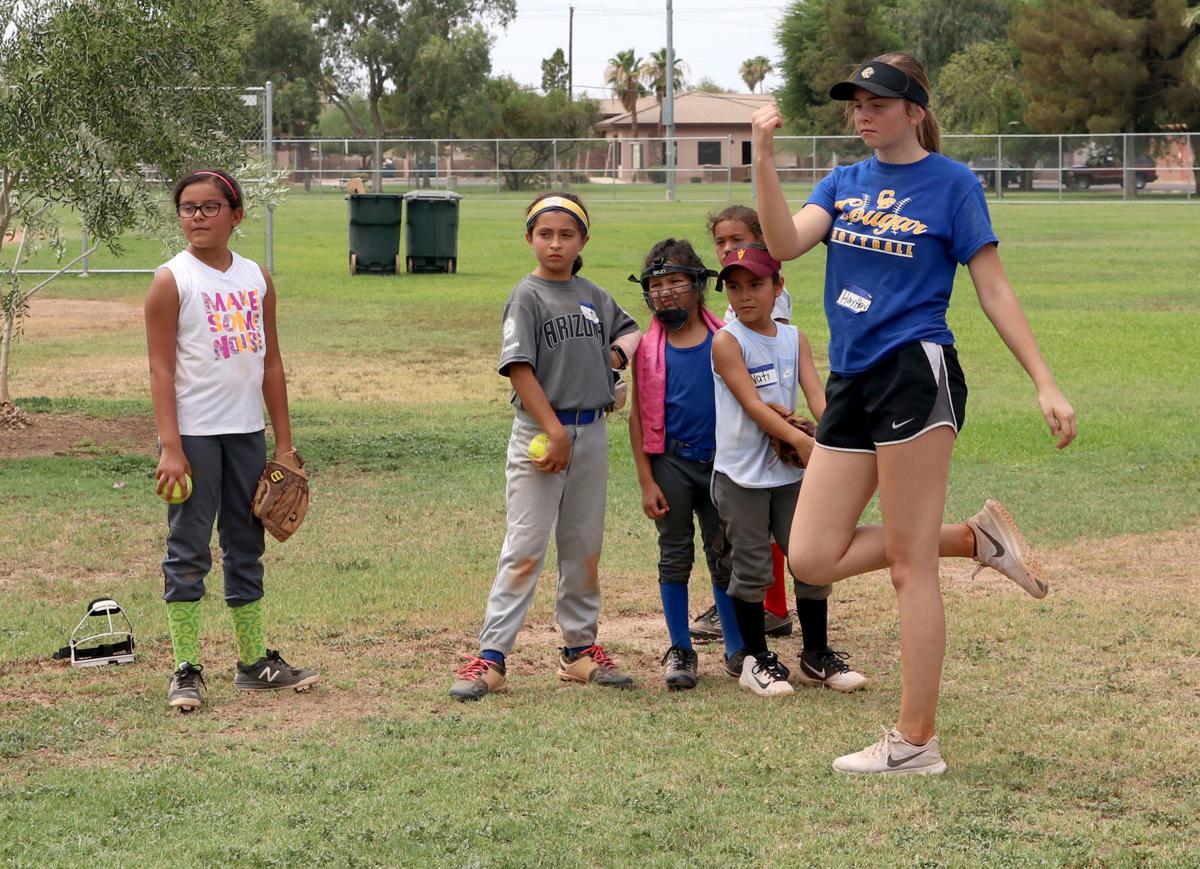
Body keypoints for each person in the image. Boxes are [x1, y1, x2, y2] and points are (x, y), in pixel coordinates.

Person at [751, 53, 1076, 770]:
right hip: (853, 379)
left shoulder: (952, 184)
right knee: (810, 553)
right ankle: (970, 538)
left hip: (914, 372)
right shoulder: (844, 180)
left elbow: (992, 288)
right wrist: (765, 160)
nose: (863, 112)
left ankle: (915, 742)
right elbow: (782, 245)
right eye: (856, 102)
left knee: (907, 566)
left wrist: (1044, 381)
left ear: (915, 110)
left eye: (879, 101)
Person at [450, 192, 642, 701]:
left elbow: (632, 330)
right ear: (530, 238)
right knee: (525, 548)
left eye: (566, 234)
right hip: (541, 433)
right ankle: (490, 657)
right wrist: (554, 430)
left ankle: (579, 651)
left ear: (583, 240)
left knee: (583, 545)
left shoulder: (594, 294)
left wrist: (615, 360)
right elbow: (519, 368)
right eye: (545, 234)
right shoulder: (527, 295)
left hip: (592, 432)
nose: (555, 243)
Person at [145, 169, 318, 713]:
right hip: (193, 438)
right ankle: (186, 667)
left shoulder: (255, 278)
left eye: (210, 207)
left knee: (247, 542)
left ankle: (253, 662)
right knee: (189, 548)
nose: (197, 216)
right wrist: (170, 446)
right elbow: (159, 368)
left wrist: (283, 441)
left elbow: (271, 361)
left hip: (245, 433)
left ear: (236, 215)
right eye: (188, 207)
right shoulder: (172, 280)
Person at [710, 246, 863, 696]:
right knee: (754, 568)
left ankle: (816, 655)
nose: (744, 296)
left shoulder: (793, 338)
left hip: (790, 475)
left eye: (755, 285)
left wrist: (833, 441)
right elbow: (753, 405)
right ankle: (755, 660)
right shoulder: (727, 340)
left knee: (812, 560)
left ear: (778, 287)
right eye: (734, 287)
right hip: (742, 476)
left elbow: (816, 395)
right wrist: (802, 441)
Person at [626, 238, 743, 690]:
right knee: (673, 557)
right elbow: (638, 416)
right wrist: (644, 480)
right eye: (656, 285)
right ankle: (680, 648)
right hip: (670, 464)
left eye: (676, 282)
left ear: (699, 285)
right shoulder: (648, 349)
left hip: (720, 464)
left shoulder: (724, 340)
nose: (666, 293)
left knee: (725, 557)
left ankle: (736, 646)